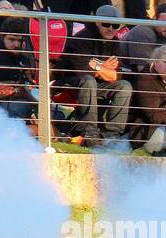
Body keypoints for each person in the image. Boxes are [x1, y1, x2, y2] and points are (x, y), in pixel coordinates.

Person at [58, 4, 132, 147]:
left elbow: (116, 77)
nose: (110, 28)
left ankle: (112, 134)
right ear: (97, 22)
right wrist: (103, 68)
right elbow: (81, 70)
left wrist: (96, 66)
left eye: (115, 25)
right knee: (88, 80)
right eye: (106, 24)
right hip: (69, 81)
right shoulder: (82, 38)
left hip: (95, 83)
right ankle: (89, 131)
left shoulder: (116, 43)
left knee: (124, 86)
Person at [121, 4, 166, 75]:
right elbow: (144, 69)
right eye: (164, 22)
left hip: (160, 76)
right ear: (154, 19)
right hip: (131, 75)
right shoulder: (142, 32)